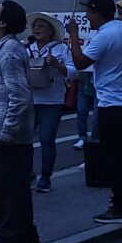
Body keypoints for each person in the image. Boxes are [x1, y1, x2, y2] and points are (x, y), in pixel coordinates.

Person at [66, 0, 122, 224]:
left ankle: (120, 207)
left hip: (112, 103)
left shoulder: (105, 35)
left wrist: (73, 34)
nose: (86, 18)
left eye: (89, 13)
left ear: (98, 12)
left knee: (115, 156)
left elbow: (80, 63)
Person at [0, 0, 39, 243]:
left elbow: (19, 96)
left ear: (3, 22)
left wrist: (7, 131)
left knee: (9, 190)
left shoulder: (9, 52)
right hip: (11, 136)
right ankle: (26, 238)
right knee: (15, 189)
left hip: (10, 139)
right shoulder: (6, 48)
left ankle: (11, 241)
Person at [25, 15, 71, 192]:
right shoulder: (27, 48)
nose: (37, 28)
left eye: (41, 25)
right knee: (25, 139)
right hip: (30, 99)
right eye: (35, 25)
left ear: (51, 30)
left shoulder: (60, 49)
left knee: (47, 139)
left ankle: (45, 176)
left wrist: (58, 66)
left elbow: (74, 72)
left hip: (52, 100)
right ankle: (28, 172)